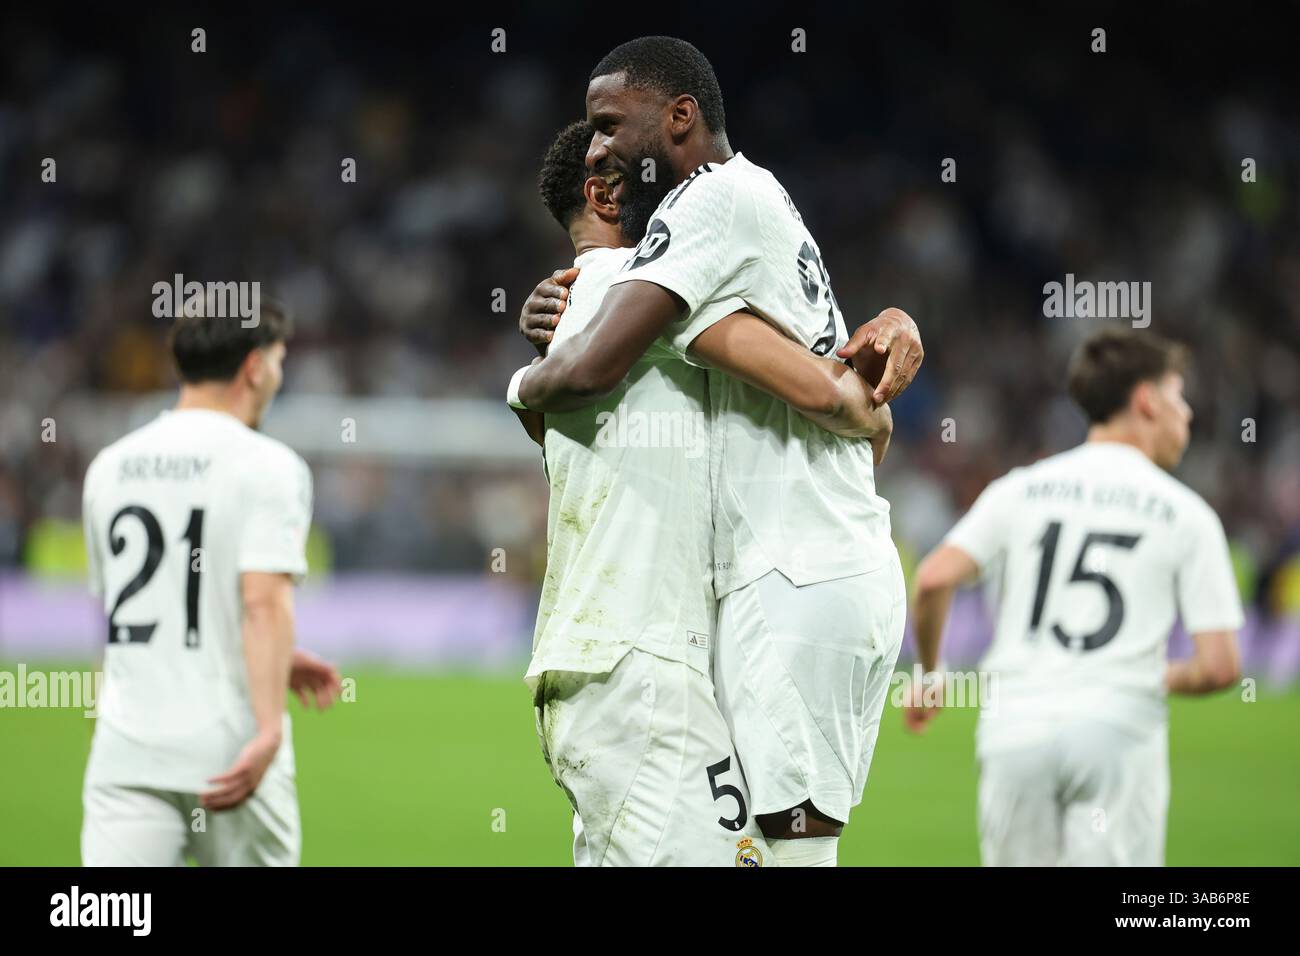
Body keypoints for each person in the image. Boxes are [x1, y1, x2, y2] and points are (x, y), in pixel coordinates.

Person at [907, 326, 1242, 866]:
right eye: (1179, 397)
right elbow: (1221, 666)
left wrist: (929, 675)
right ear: (1146, 401)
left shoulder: (1020, 488)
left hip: (1015, 730)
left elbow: (932, 578)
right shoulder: (1185, 513)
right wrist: (1151, 673)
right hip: (1115, 731)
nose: (1189, 415)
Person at [80, 295, 341, 866]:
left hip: (128, 752)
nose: (277, 376)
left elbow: (126, 614)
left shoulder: (110, 466)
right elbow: (262, 605)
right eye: (278, 362)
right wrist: (269, 731)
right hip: (232, 749)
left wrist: (267, 655)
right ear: (253, 367)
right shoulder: (268, 465)